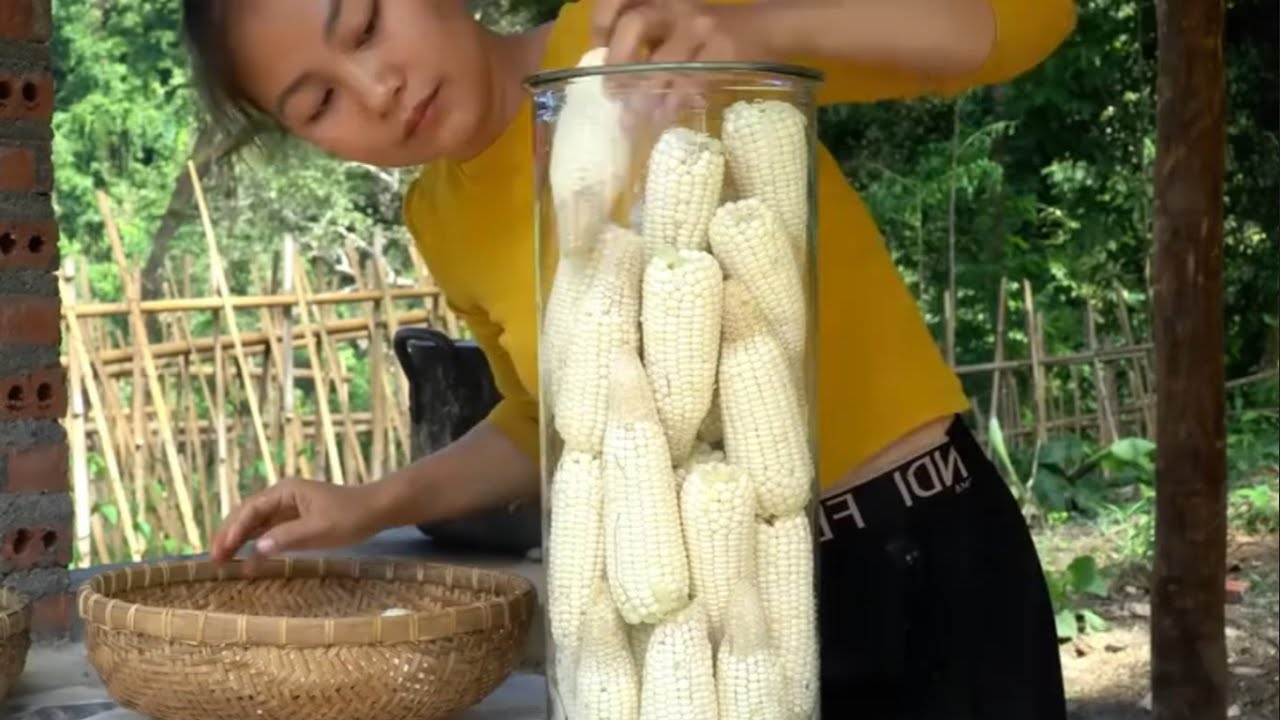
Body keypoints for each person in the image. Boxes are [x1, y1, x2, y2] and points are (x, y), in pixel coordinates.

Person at [181, 0, 1077, 716]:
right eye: (320, 101)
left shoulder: (634, 24)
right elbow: (556, 420)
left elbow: (1026, 20)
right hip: (705, 630)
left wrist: (757, 33)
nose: (375, 88)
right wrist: (373, 503)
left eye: (368, 25)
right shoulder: (441, 219)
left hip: (916, 554)